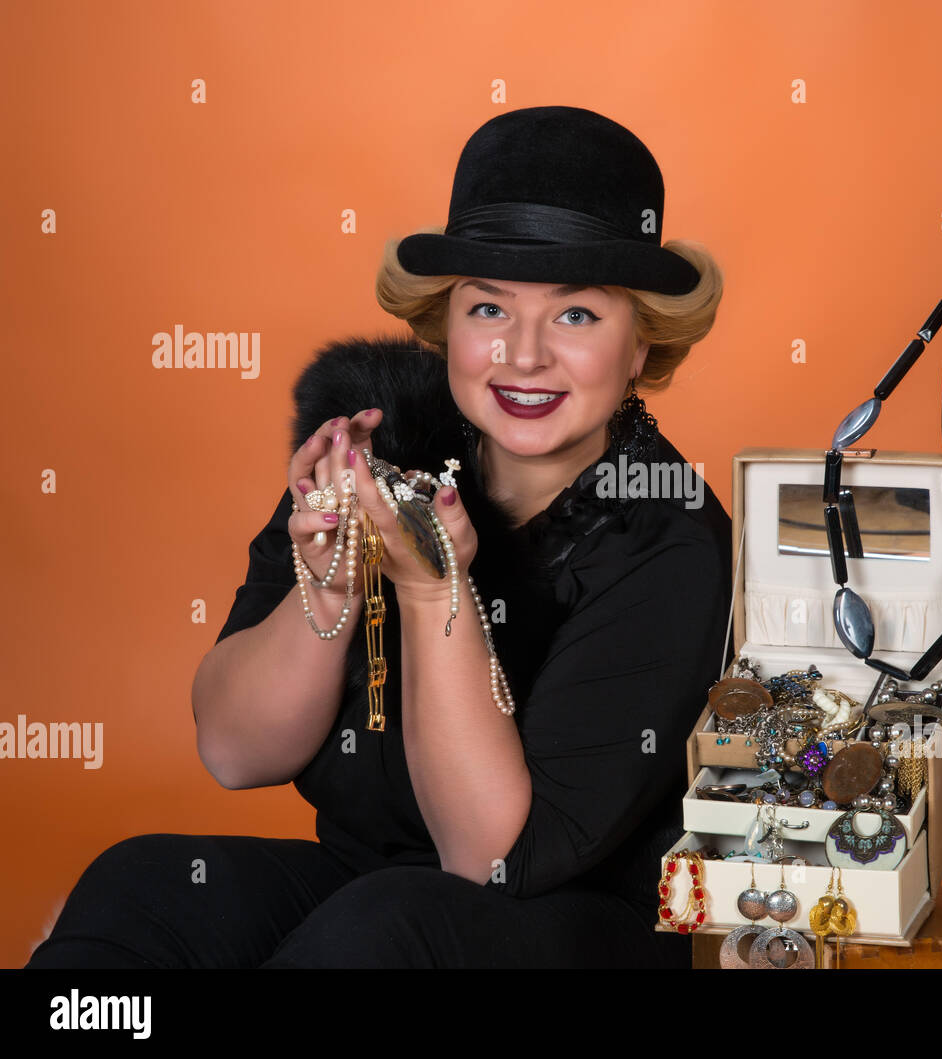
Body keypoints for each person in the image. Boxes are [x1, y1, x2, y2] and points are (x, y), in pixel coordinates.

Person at [25, 105, 731, 969]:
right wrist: (328, 584)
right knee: (137, 885)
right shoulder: (385, 448)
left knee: (382, 930)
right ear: (446, 324)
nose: (525, 353)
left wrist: (435, 590)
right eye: (488, 308)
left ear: (641, 343)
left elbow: (488, 859)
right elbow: (234, 750)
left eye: (577, 315)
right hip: (364, 892)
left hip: (566, 929)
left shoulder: (669, 538)